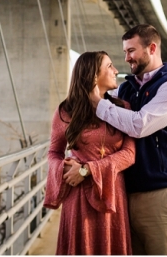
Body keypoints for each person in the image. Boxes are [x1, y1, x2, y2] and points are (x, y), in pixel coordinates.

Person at [90, 24, 167, 255]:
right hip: (125, 196)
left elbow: (139, 125)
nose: (126, 58)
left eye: (131, 51)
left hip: (162, 197)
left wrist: (99, 104)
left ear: (152, 48)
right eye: (125, 51)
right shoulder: (127, 89)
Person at [44, 51, 136, 255]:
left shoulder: (122, 107)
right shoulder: (66, 111)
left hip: (112, 193)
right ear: (94, 75)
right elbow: (53, 152)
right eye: (110, 66)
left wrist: (87, 169)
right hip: (78, 198)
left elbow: (129, 153)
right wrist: (64, 168)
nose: (116, 70)